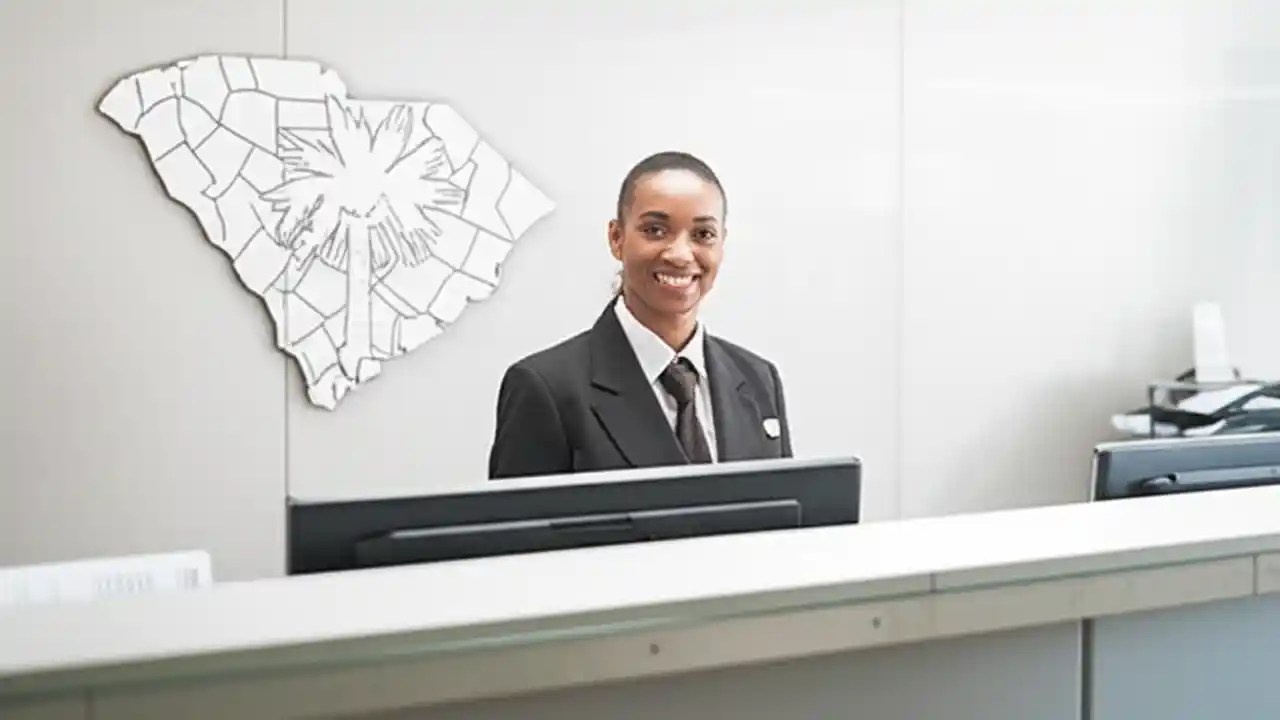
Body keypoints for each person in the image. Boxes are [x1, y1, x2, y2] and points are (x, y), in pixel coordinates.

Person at [487, 151, 792, 479]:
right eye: (655, 230)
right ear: (616, 238)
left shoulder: (759, 380)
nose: (680, 254)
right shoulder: (546, 389)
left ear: (722, 243)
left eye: (703, 234)